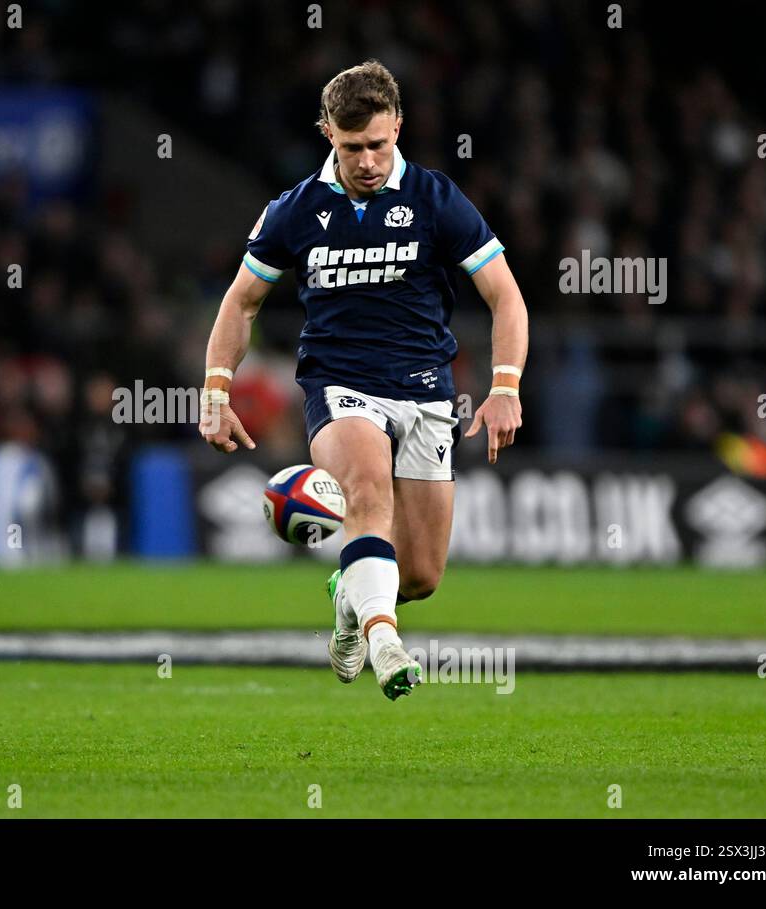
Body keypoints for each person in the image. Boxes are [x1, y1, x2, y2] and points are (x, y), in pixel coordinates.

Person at [199, 61, 528, 700]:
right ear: (328, 134)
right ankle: (385, 642)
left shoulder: (437, 200)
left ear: (398, 128)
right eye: (353, 148)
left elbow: (505, 297)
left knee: (423, 575)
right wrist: (215, 391)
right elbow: (240, 304)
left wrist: (506, 386)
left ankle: (353, 598)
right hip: (338, 383)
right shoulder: (293, 211)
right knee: (366, 485)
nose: (369, 161)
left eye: (379, 144)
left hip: (427, 391)